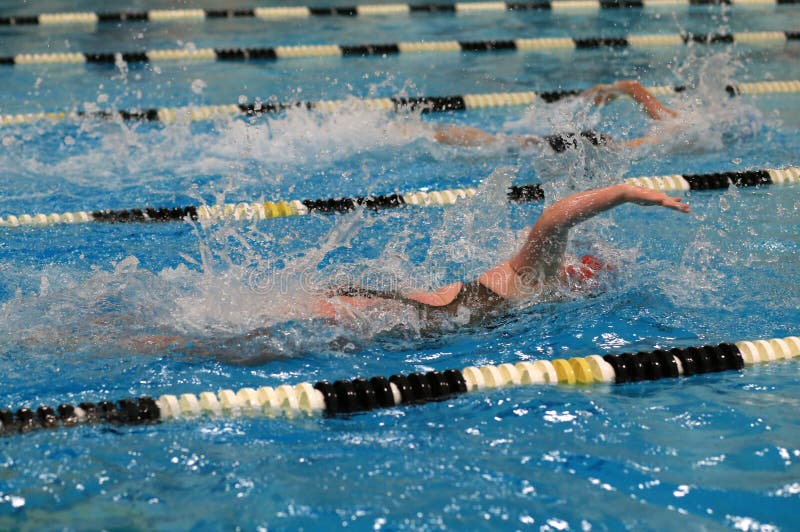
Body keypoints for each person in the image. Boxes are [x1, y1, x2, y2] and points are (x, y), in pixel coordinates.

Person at [313, 182, 689, 321]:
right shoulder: (538, 281)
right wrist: (624, 193)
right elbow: (555, 219)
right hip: (409, 316)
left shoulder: (529, 286)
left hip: (404, 307)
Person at [431, 79, 678, 152]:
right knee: (507, 144)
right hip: (598, 146)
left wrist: (619, 89)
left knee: (509, 142)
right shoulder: (685, 126)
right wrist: (627, 88)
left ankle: (433, 133)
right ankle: (435, 135)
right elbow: (667, 127)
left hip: (592, 142)